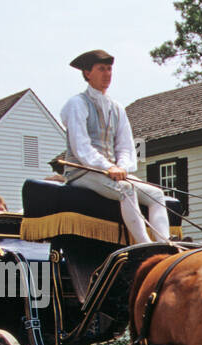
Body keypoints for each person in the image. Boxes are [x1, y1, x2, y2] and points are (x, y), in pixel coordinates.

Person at [59, 49, 168, 244]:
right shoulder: (77, 103)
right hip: (82, 172)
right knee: (126, 189)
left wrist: (122, 167)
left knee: (156, 194)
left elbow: (126, 146)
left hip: (112, 173)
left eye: (109, 69)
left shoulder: (117, 108)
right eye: (101, 69)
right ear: (87, 73)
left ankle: (165, 244)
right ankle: (145, 245)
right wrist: (108, 167)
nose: (107, 74)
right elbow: (81, 147)